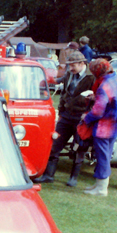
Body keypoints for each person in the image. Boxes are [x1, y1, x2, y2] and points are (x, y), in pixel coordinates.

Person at [35, 51, 95, 185]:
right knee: (55, 144)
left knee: (79, 147)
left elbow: (96, 98)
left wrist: (88, 113)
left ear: (82, 64)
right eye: (69, 66)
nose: (70, 68)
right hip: (67, 116)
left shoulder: (92, 78)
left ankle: (73, 178)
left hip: (81, 117)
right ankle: (48, 175)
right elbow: (64, 94)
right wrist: (61, 110)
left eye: (73, 65)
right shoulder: (69, 74)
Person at [80, 59, 117, 196]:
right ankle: (99, 185)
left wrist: (86, 118)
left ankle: (101, 189)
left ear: (97, 71)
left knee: (103, 157)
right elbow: (116, 99)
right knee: (106, 155)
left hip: (104, 127)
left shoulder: (103, 86)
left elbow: (97, 111)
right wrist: (97, 98)